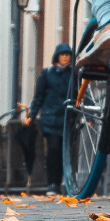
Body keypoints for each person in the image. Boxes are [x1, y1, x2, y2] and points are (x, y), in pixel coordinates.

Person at [26, 43, 73, 191]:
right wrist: (32, 115)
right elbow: (39, 96)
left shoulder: (74, 74)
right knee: (53, 149)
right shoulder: (47, 74)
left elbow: (80, 93)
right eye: (63, 55)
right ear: (57, 56)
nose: (65, 58)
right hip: (50, 118)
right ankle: (52, 183)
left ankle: (63, 182)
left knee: (64, 151)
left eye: (68, 55)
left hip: (67, 119)